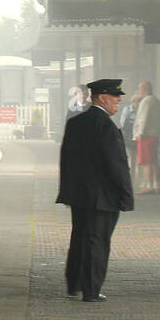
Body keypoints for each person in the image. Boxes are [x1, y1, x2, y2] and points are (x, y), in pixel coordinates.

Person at [57, 78, 134, 302]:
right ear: (102, 97)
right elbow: (116, 165)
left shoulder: (75, 123)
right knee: (98, 242)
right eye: (115, 96)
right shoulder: (107, 126)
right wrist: (126, 195)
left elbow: (67, 160)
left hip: (79, 195)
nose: (119, 100)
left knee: (79, 238)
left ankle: (74, 284)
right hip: (103, 197)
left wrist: (67, 190)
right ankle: (91, 290)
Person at [133, 80, 160, 193]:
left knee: (146, 162)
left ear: (144, 89)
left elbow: (142, 119)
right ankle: (156, 185)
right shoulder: (156, 100)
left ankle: (149, 186)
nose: (138, 91)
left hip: (146, 135)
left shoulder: (146, 101)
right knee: (154, 161)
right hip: (155, 134)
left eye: (139, 88)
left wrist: (139, 133)